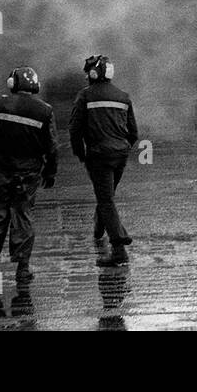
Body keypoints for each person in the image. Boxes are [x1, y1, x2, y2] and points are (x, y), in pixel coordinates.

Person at [0, 67, 58, 287]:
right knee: (23, 217)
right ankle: (23, 269)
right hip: (28, 176)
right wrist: (50, 172)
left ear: (12, 84)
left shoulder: (0, 102)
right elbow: (52, 147)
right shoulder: (45, 111)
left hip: (1, 173)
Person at [69, 55, 138, 268]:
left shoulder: (85, 96)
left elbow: (74, 129)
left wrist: (81, 153)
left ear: (93, 73)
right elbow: (133, 132)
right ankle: (99, 228)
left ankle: (119, 249)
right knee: (107, 195)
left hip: (99, 156)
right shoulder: (123, 97)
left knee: (106, 199)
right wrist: (123, 149)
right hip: (120, 155)